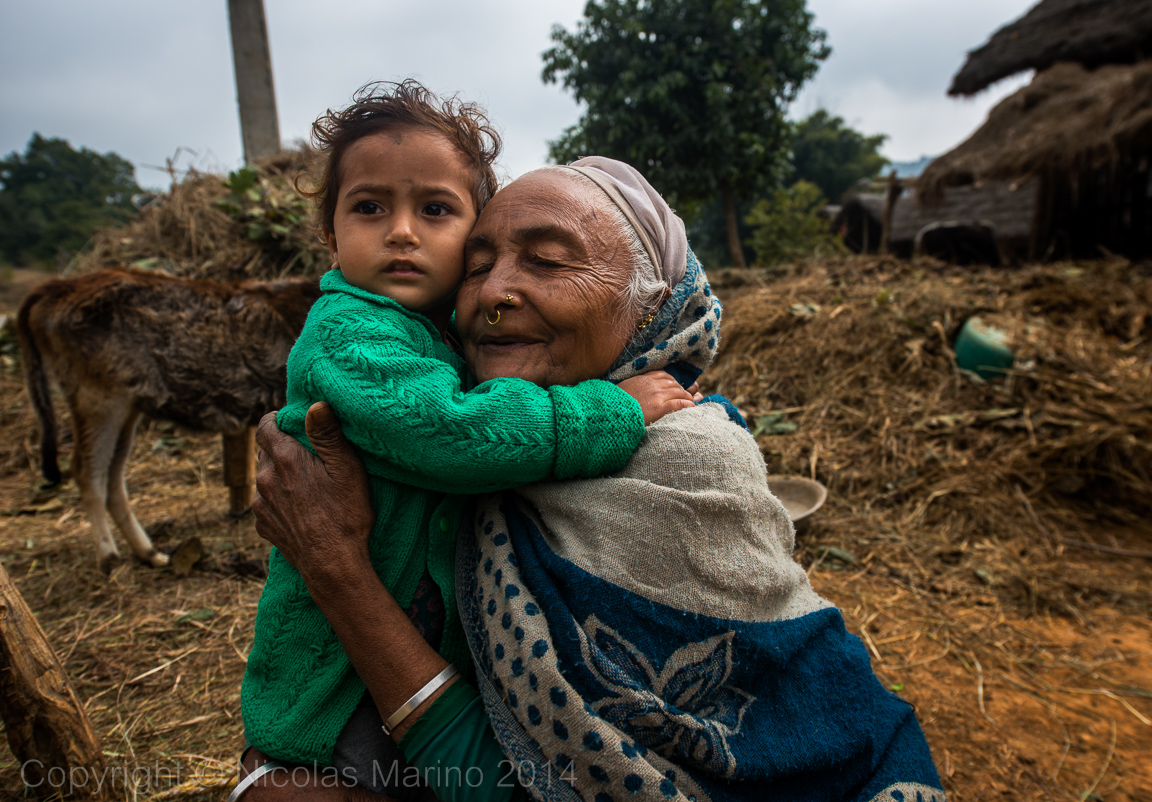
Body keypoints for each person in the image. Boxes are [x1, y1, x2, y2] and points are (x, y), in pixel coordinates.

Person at [240, 158, 946, 802]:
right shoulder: (468, 421)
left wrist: (336, 568)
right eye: (476, 267)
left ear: (653, 307)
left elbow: (520, 789)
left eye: (547, 261)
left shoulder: (685, 462)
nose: (494, 293)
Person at [239, 83, 695, 778]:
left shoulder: (442, 332)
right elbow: (451, 434)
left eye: (435, 210)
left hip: (416, 675)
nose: (401, 232)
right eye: (369, 207)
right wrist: (611, 410)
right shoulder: (349, 335)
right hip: (339, 699)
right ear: (330, 236)